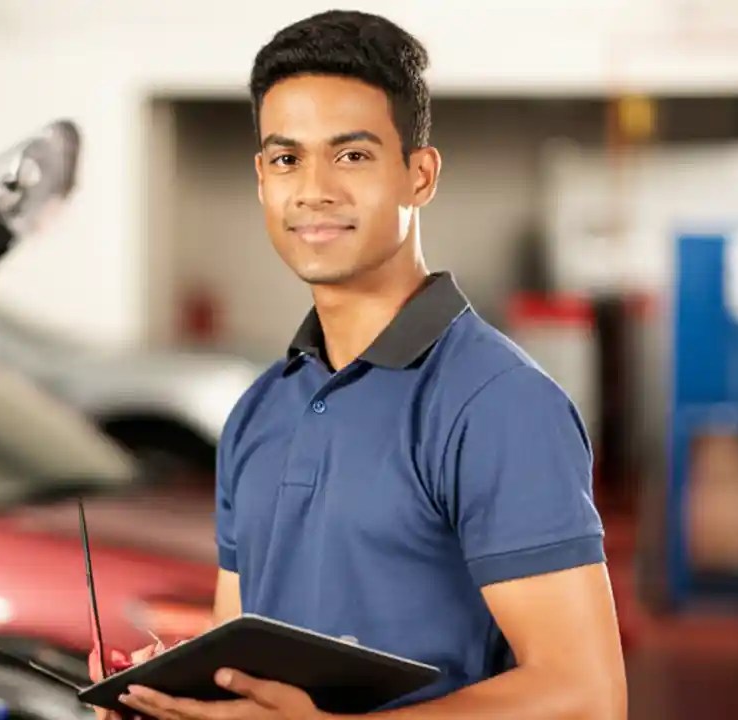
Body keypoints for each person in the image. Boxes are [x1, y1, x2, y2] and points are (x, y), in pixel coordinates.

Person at [91, 9, 627, 720]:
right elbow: (241, 652)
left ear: (420, 175)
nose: (314, 188)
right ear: (261, 178)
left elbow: (587, 696)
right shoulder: (258, 410)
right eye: (286, 158)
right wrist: (172, 696)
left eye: (351, 155)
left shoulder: (497, 404)